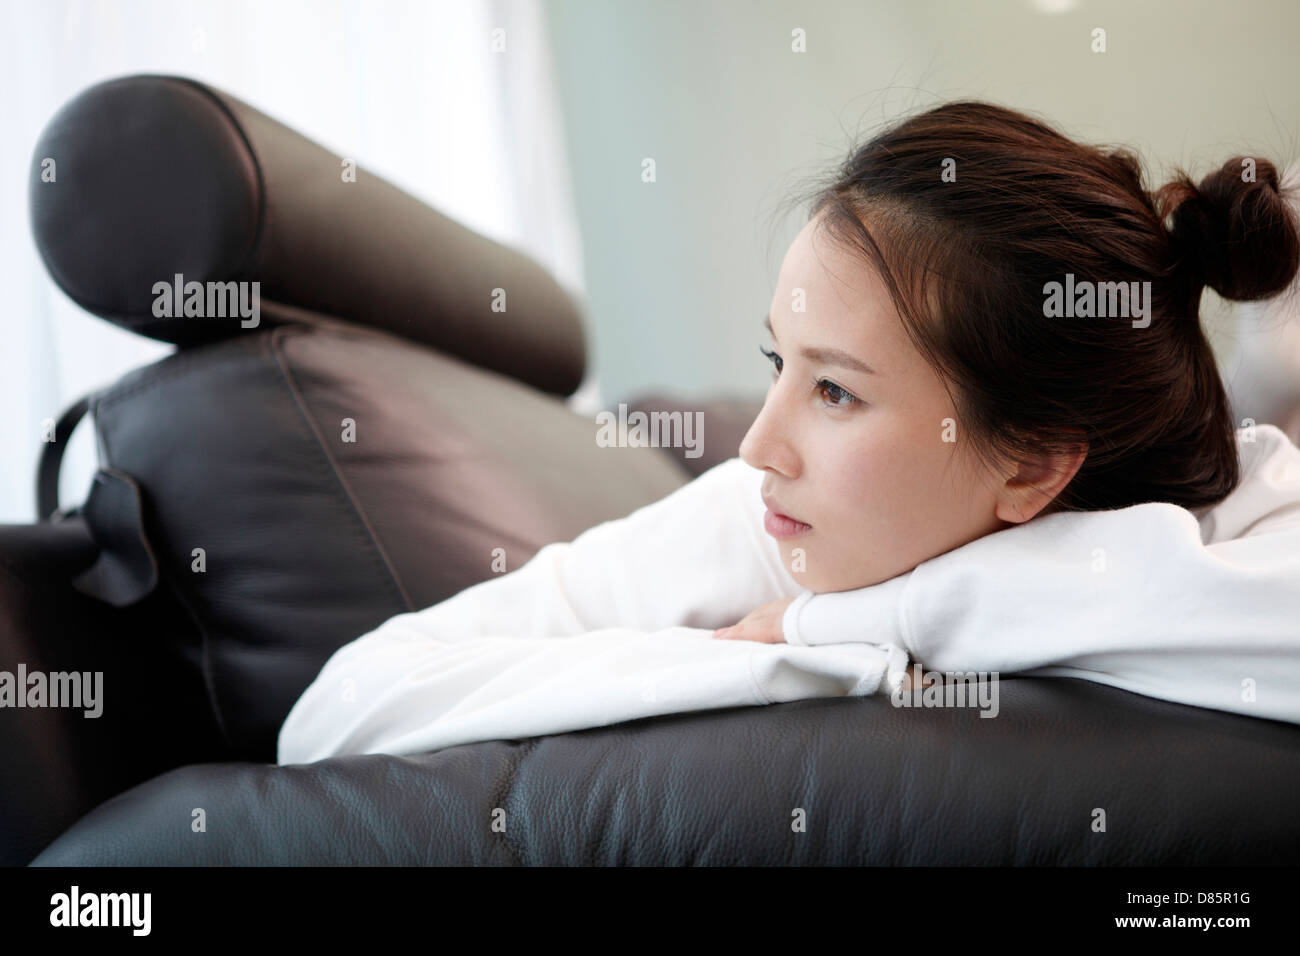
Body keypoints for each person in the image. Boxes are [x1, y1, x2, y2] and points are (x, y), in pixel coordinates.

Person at [277, 100, 1300, 766]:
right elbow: (336, 712)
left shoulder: (1245, 514)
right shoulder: (763, 514)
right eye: (781, 364)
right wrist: (753, 662)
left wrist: (854, 624)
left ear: (1032, 461)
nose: (757, 444)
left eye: (837, 392)